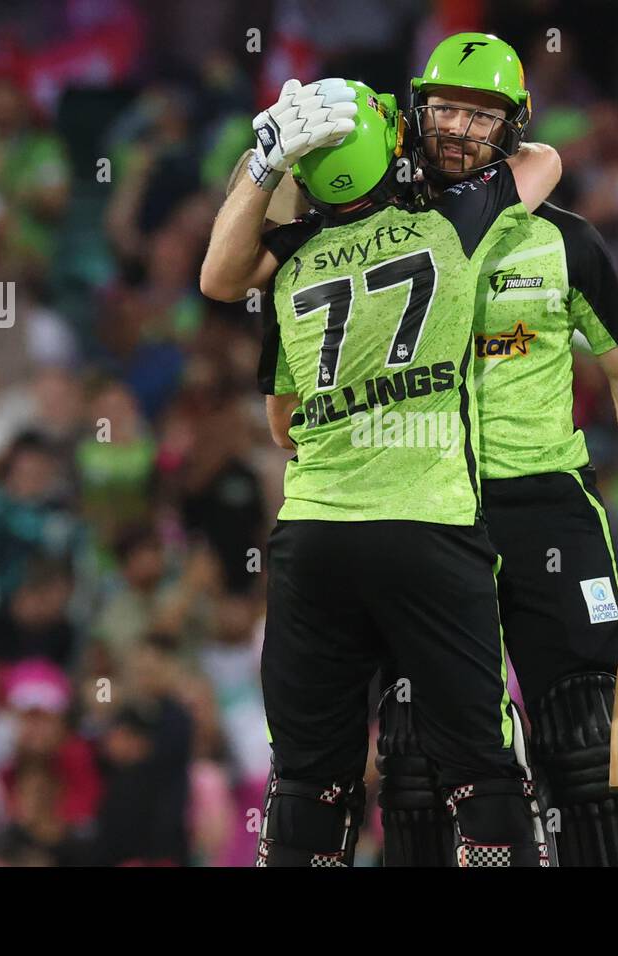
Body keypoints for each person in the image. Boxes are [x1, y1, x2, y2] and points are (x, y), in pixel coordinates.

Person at [201, 76, 562, 866]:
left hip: (315, 537)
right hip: (428, 527)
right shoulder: (453, 224)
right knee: (482, 773)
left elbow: (232, 315)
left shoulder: (291, 260)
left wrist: (263, 169)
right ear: (390, 148)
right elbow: (542, 160)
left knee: (307, 782)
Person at [377, 32, 618, 867]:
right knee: (416, 760)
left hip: (546, 506)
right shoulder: (384, 241)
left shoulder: (566, 240)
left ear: (512, 131)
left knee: (592, 742)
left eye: (481, 115)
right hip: (427, 509)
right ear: (416, 116)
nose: (458, 128)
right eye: (446, 107)